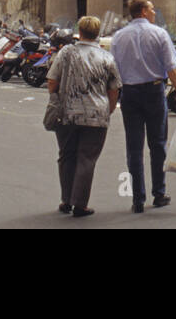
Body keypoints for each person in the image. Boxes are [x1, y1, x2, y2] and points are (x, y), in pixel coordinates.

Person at [109, 0, 176, 213]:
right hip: (154, 91)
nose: (155, 12)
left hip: (130, 93)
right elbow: (172, 68)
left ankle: (137, 199)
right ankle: (159, 193)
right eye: (152, 9)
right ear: (143, 11)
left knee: (134, 148)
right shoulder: (159, 33)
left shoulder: (118, 37)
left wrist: (113, 100)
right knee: (158, 145)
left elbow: (113, 72)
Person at [47, 15, 122, 217]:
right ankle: (80, 204)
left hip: (67, 114)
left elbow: (52, 82)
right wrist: (109, 108)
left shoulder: (66, 53)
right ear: (97, 34)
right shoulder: (107, 58)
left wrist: (59, 98)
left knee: (66, 155)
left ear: (79, 32)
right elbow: (114, 89)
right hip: (97, 115)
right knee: (86, 159)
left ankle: (66, 200)